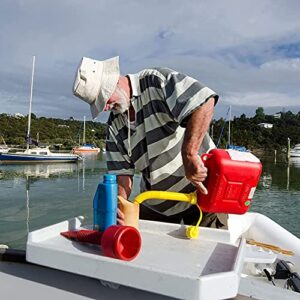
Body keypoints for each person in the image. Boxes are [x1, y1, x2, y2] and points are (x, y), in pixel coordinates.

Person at [73, 56, 227, 229]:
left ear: (114, 82)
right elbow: (122, 177)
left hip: (201, 195)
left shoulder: (156, 81)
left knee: (213, 251)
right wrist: (120, 206)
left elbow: (204, 102)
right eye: (98, 104)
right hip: (155, 203)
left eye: (104, 99)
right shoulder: (114, 126)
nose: (105, 108)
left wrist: (189, 154)